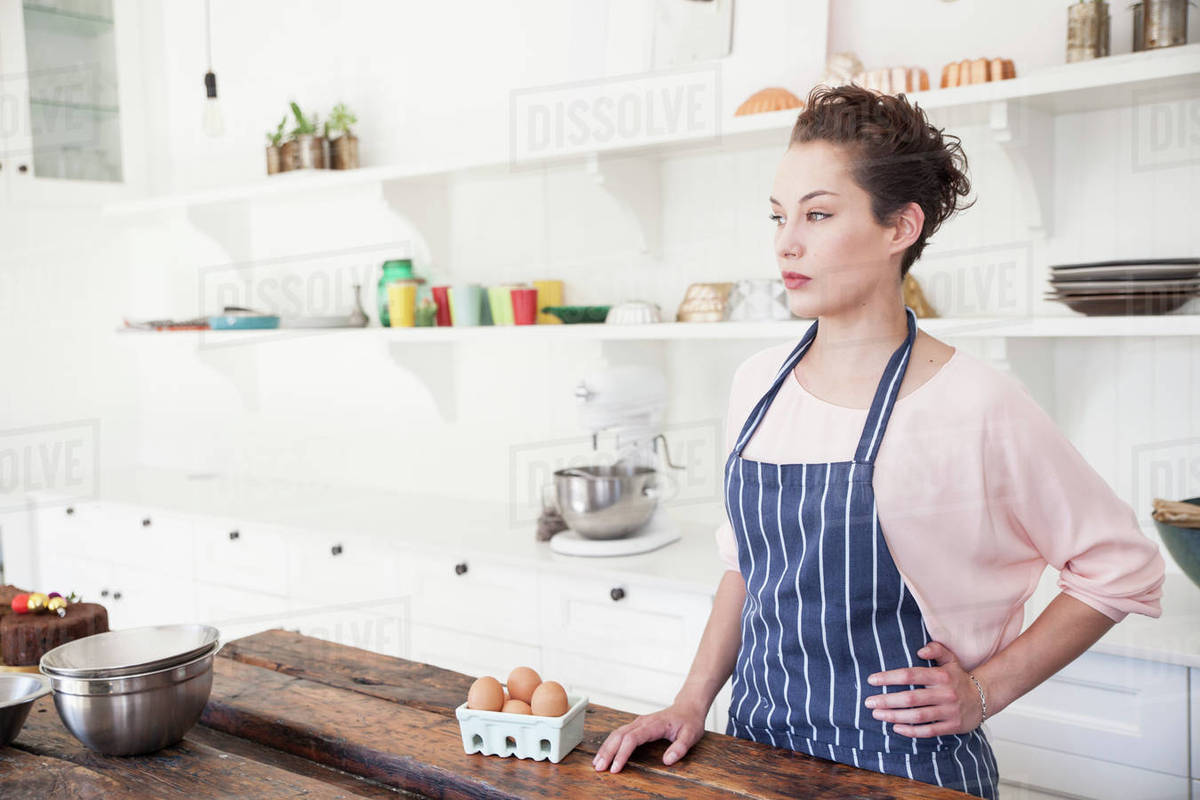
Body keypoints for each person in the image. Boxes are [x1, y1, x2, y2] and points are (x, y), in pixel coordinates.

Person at [591, 85, 1165, 799]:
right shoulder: (757, 383)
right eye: (778, 216)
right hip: (753, 753)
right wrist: (689, 702)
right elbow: (745, 568)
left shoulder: (974, 401)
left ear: (900, 228)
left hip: (904, 769)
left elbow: (1120, 567)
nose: (786, 242)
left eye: (819, 215)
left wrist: (985, 690)